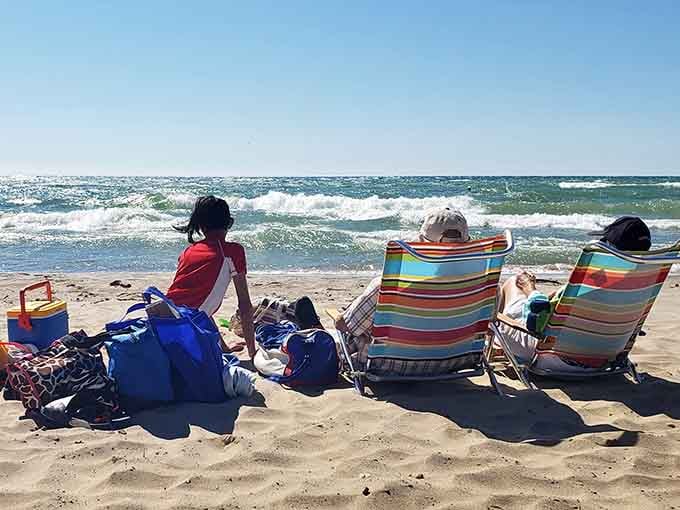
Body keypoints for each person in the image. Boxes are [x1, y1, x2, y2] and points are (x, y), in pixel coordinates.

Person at [497, 216, 652, 369]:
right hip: (603, 357)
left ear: (609, 247)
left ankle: (493, 344)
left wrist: (530, 288)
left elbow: (536, 322)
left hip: (553, 356)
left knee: (513, 282)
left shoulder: (589, 284)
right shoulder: (641, 286)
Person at [334, 207, 471, 368]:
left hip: (389, 364)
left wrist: (338, 317)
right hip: (455, 362)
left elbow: (345, 325)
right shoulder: (482, 287)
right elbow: (489, 327)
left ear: (421, 243)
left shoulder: (390, 286)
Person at [167, 196, 256, 359]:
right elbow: (244, 305)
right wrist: (252, 353)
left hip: (164, 318)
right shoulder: (232, 252)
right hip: (182, 328)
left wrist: (225, 348)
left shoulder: (188, 252)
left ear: (201, 226)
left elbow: (197, 306)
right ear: (228, 223)